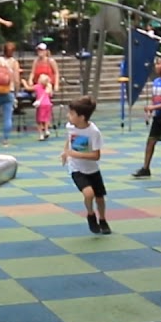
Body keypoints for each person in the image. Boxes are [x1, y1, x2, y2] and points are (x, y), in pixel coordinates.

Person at [61, 96, 110, 235]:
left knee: (99, 197)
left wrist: (75, 154)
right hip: (76, 168)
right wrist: (65, 153)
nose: (68, 116)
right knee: (89, 193)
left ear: (82, 117)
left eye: (71, 114)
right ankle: (90, 215)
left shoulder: (93, 132)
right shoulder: (70, 126)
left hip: (92, 169)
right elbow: (68, 139)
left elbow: (96, 155)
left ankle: (103, 219)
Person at [33, 73, 54, 140]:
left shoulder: (37, 86)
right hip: (48, 104)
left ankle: (41, 135)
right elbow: (51, 95)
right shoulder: (48, 87)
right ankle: (47, 130)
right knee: (46, 118)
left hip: (41, 104)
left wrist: (24, 82)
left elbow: (28, 88)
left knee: (39, 120)